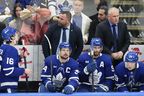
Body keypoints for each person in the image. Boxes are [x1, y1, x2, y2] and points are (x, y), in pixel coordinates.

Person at [0, 26, 31, 93]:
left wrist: (20, 57)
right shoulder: (11, 49)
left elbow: (5, 62)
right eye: (15, 34)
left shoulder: (2, 47)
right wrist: (23, 71)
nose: (18, 36)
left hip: (3, 83)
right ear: (11, 38)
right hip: (8, 84)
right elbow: (8, 70)